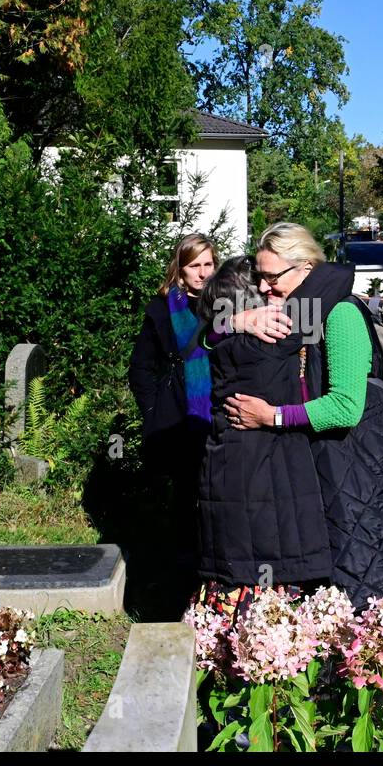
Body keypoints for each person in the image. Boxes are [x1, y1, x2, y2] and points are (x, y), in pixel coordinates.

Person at [222, 222, 383, 608]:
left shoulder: (340, 314)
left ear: (306, 269)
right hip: (334, 462)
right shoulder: (303, 313)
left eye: (271, 277)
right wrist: (234, 321)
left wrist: (271, 417)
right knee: (334, 583)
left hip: (358, 466)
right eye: (260, 278)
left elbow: (345, 406)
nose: (263, 288)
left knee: (358, 580)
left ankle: (363, 662)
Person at [190, 256, 333, 621]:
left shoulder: (226, 340)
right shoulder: (273, 337)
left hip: (227, 465)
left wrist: (230, 321)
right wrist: (306, 264)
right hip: (259, 473)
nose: (272, 289)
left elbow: (200, 336)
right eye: (263, 283)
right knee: (267, 566)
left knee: (234, 570)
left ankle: (221, 651)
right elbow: (335, 280)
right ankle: (266, 654)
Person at [127, 234, 220, 574]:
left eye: (208, 264)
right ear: (180, 271)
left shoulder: (227, 306)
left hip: (219, 411)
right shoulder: (162, 310)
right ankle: (184, 565)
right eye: (194, 266)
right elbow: (141, 368)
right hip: (178, 415)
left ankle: (215, 556)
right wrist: (154, 411)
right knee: (185, 490)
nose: (202, 273)